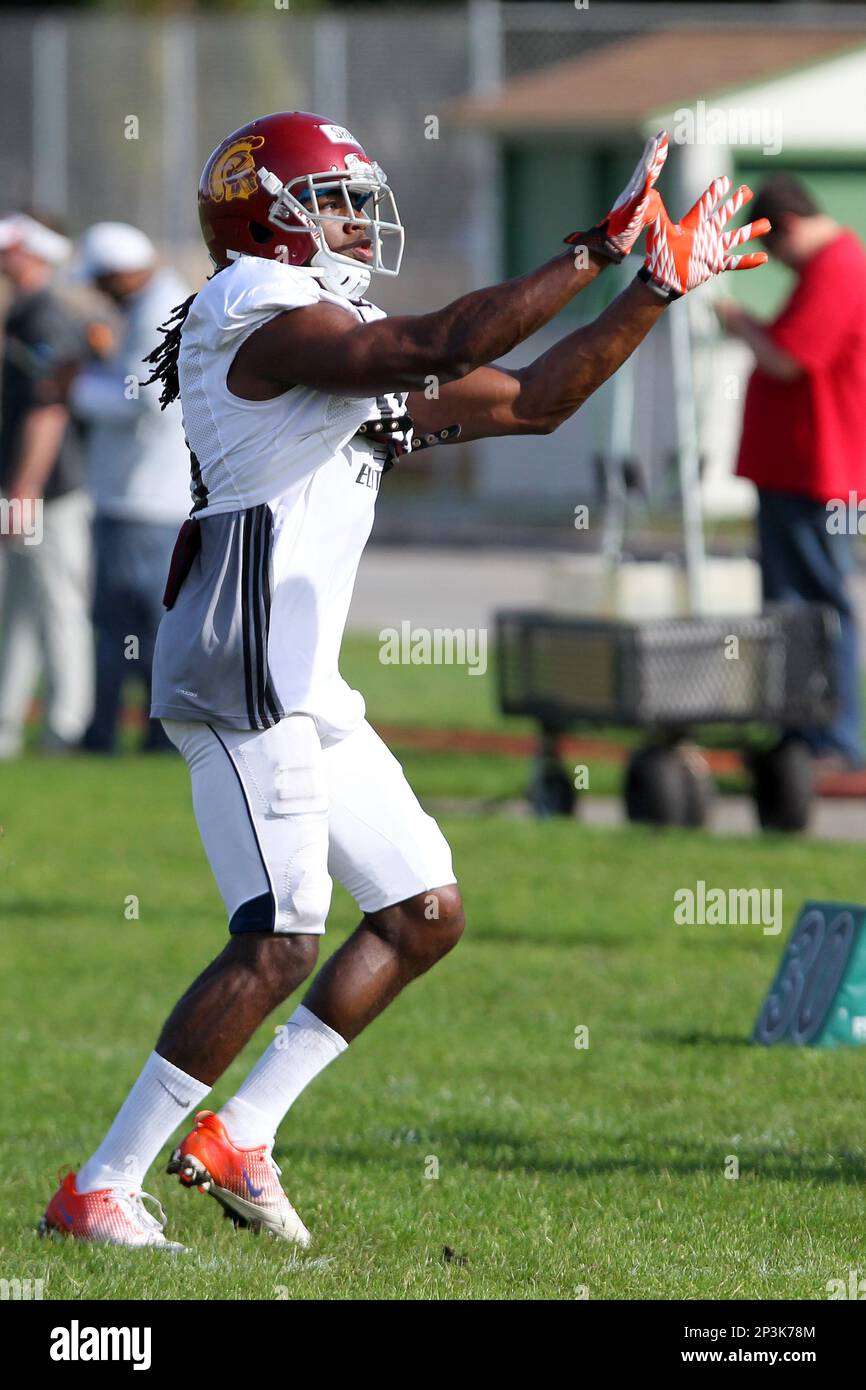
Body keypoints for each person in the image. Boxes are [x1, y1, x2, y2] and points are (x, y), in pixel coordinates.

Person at [40, 114, 769, 1249]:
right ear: (263, 217)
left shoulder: (336, 327)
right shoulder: (250, 306)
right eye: (327, 199)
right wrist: (590, 249)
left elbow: (531, 402)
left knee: (423, 912)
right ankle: (100, 1185)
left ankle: (241, 1136)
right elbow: (430, 345)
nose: (352, 219)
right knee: (279, 936)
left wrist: (652, 293)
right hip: (240, 667)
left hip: (301, 678)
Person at [716, 174, 866, 771]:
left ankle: (833, 741)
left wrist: (738, 322)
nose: (779, 264)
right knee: (787, 607)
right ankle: (799, 737)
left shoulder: (837, 266)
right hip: (796, 470)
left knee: (818, 606)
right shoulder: (827, 268)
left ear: (792, 227)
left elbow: (787, 357)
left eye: (775, 249)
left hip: (818, 472)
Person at [71, 223, 192, 753]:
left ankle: (113, 734)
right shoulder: (162, 304)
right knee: (152, 625)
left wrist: (74, 387)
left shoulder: (152, 314)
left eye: (101, 282)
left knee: (121, 624)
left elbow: (140, 401)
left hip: (138, 498)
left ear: (119, 275)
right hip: (156, 497)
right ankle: (151, 732)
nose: (98, 293)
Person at [0, 211, 93, 757]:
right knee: (18, 608)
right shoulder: (26, 312)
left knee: (58, 606)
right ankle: (8, 724)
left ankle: (66, 724)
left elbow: (48, 410)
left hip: (46, 493)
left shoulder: (46, 316)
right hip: (28, 490)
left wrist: (24, 491)